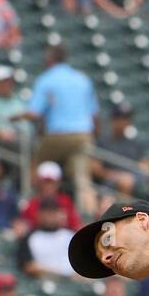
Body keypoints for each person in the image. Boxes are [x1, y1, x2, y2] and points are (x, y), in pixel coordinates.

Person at [27, 45, 98, 215]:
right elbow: (94, 114)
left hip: (58, 135)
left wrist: (15, 118)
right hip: (83, 135)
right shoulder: (82, 78)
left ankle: (30, 207)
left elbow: (34, 113)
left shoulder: (47, 79)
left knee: (35, 167)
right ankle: (91, 216)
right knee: (82, 179)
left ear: (49, 60)